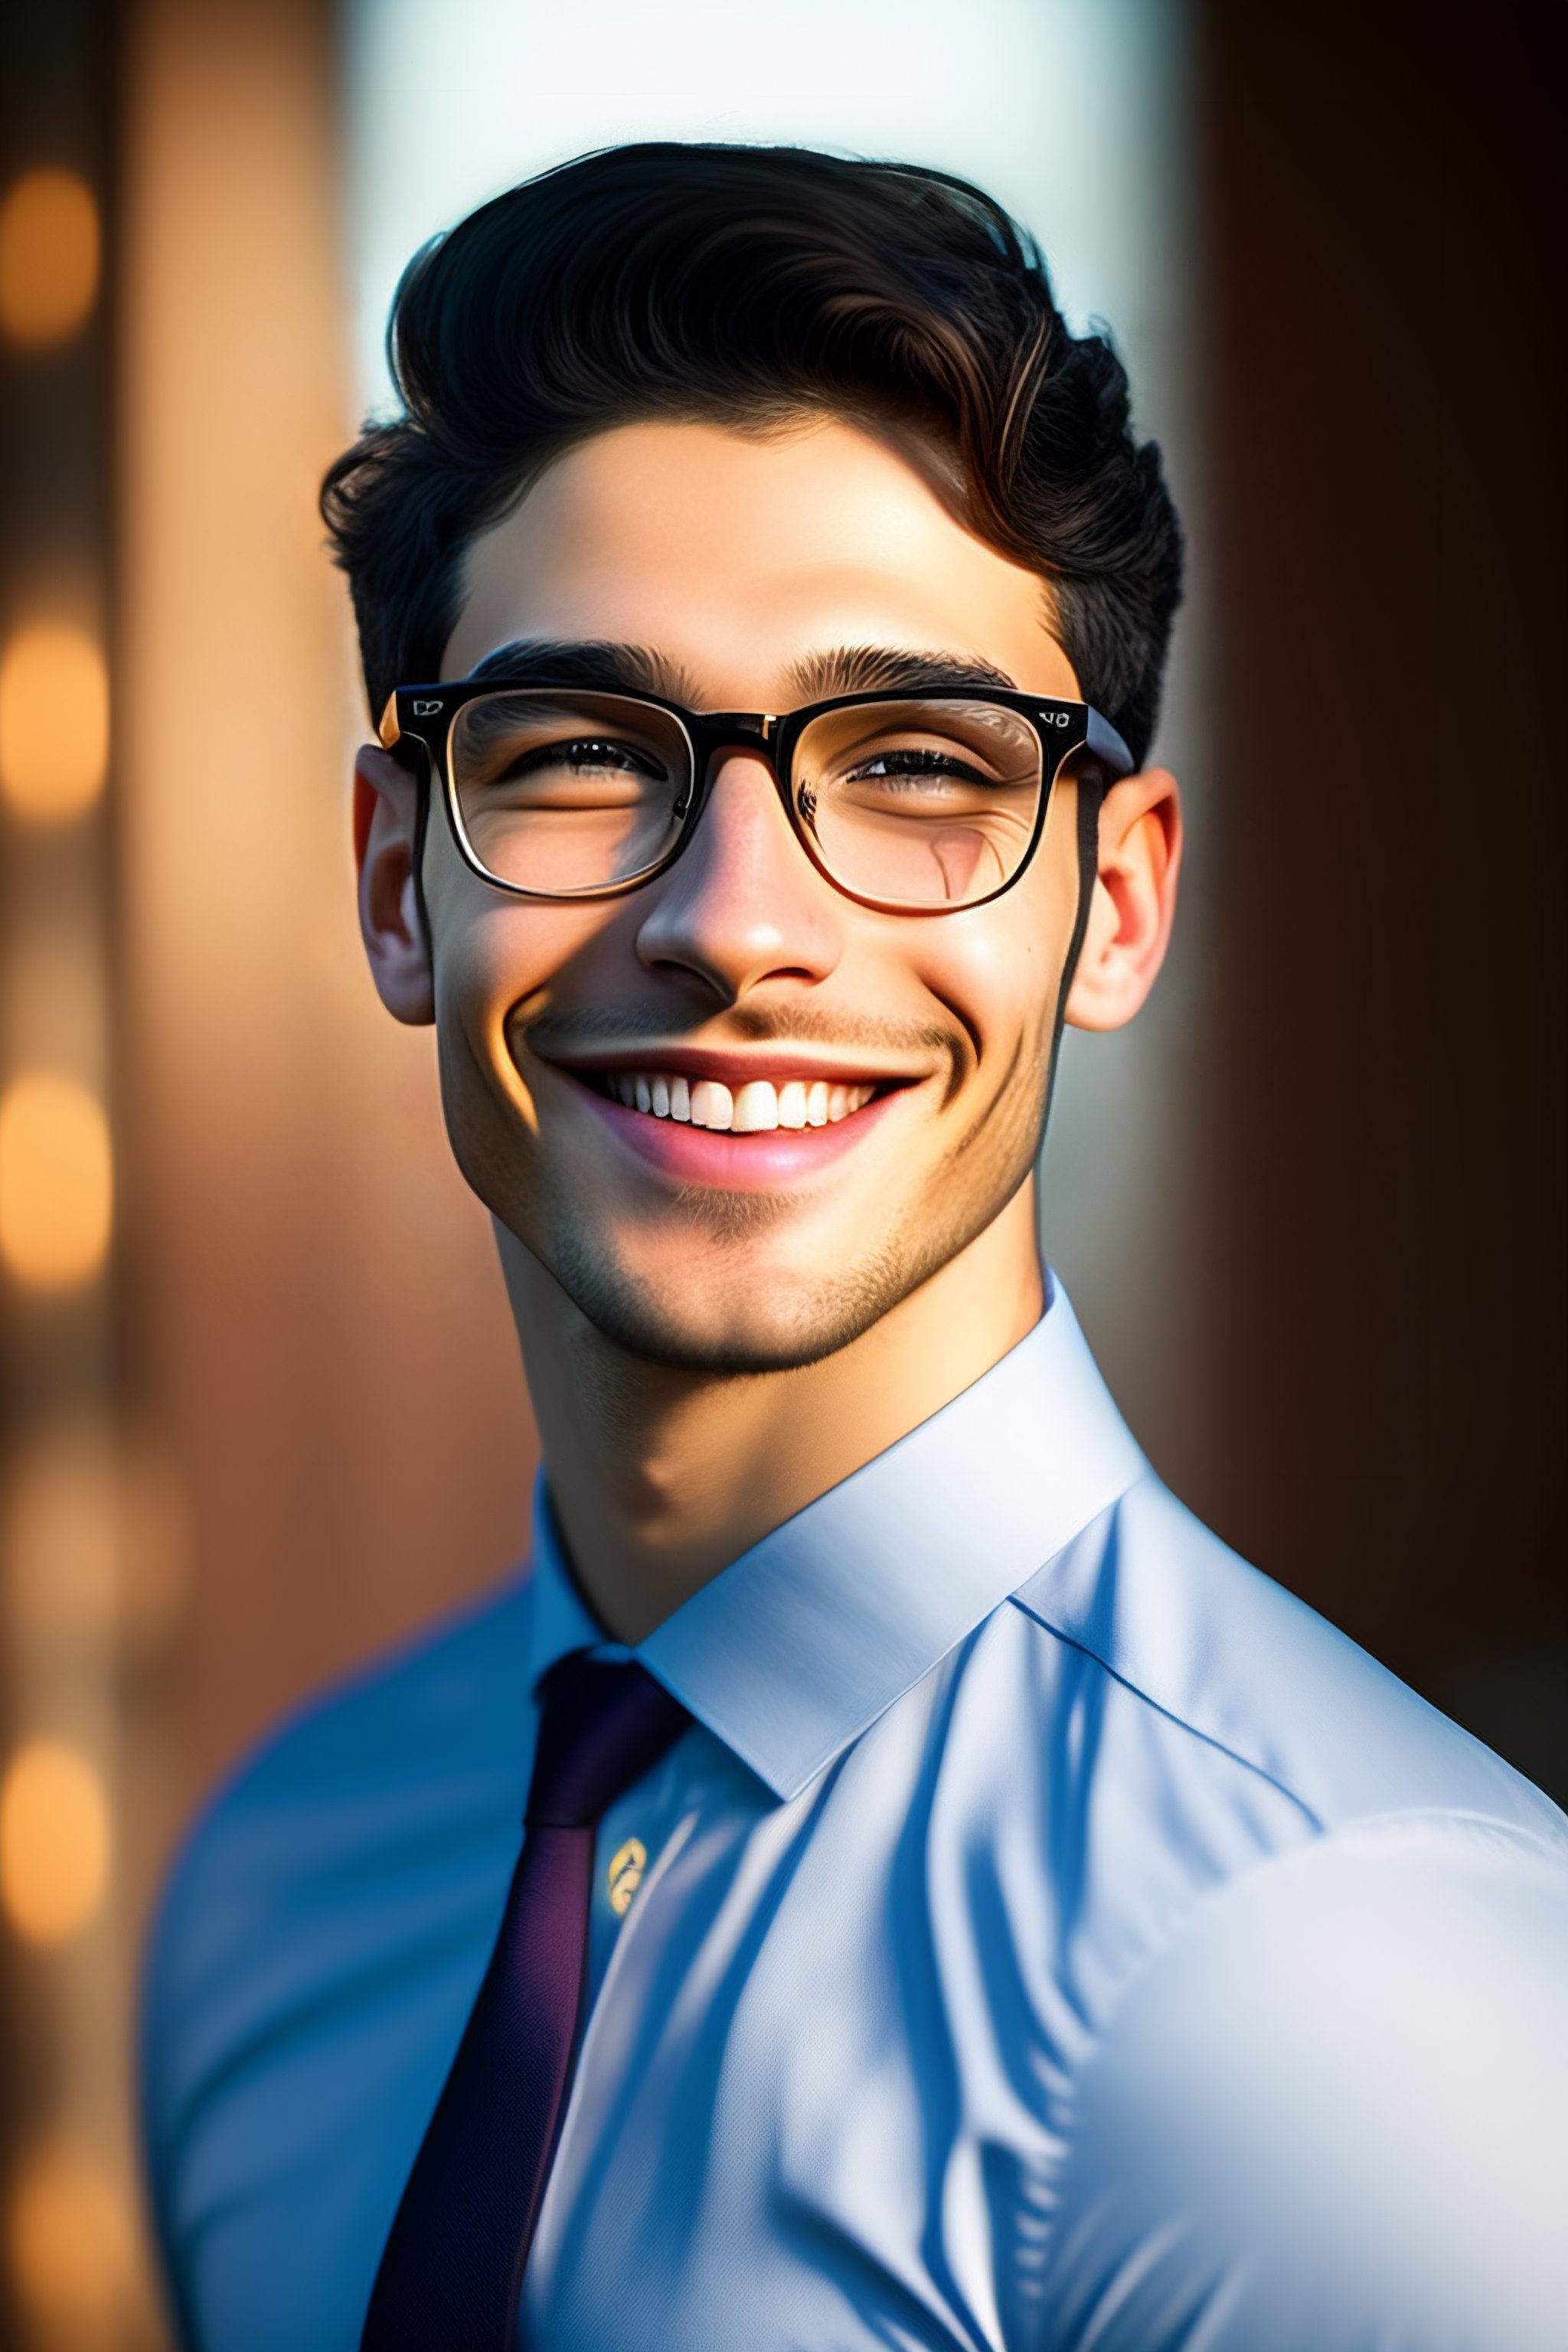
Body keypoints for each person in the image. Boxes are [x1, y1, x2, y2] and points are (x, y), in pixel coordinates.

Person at [139, 144, 1568, 2352]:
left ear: (1114, 901)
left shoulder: (1343, 1990)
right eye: (584, 750)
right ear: (397, 877)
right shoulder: (277, 1893)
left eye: (915, 760)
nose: (735, 924)